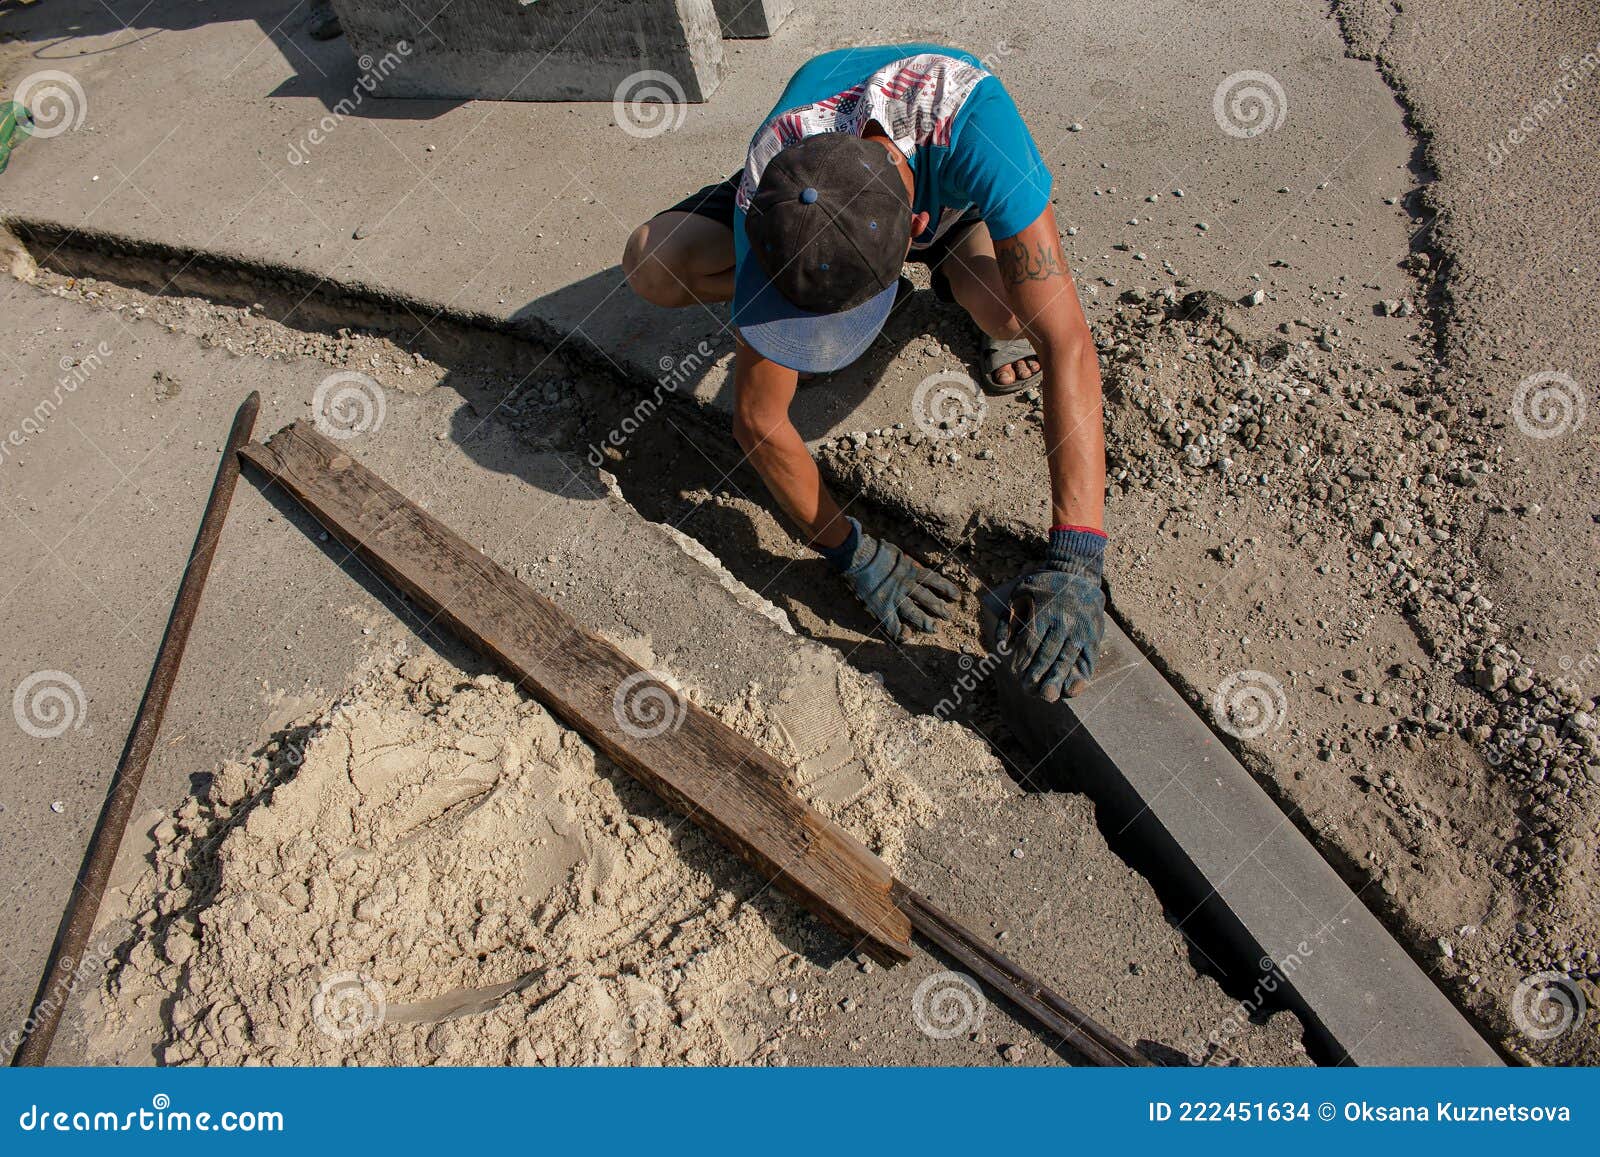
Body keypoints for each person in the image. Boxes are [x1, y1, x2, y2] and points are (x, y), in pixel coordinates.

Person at [622, 44, 1106, 701]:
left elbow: (1069, 345)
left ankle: (956, 261)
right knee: (651, 260)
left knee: (1011, 312)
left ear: (914, 226)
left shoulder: (980, 126)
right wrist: (854, 552)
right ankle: (836, 289)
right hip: (824, 197)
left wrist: (1078, 554)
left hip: (952, 206)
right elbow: (759, 420)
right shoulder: (778, 183)